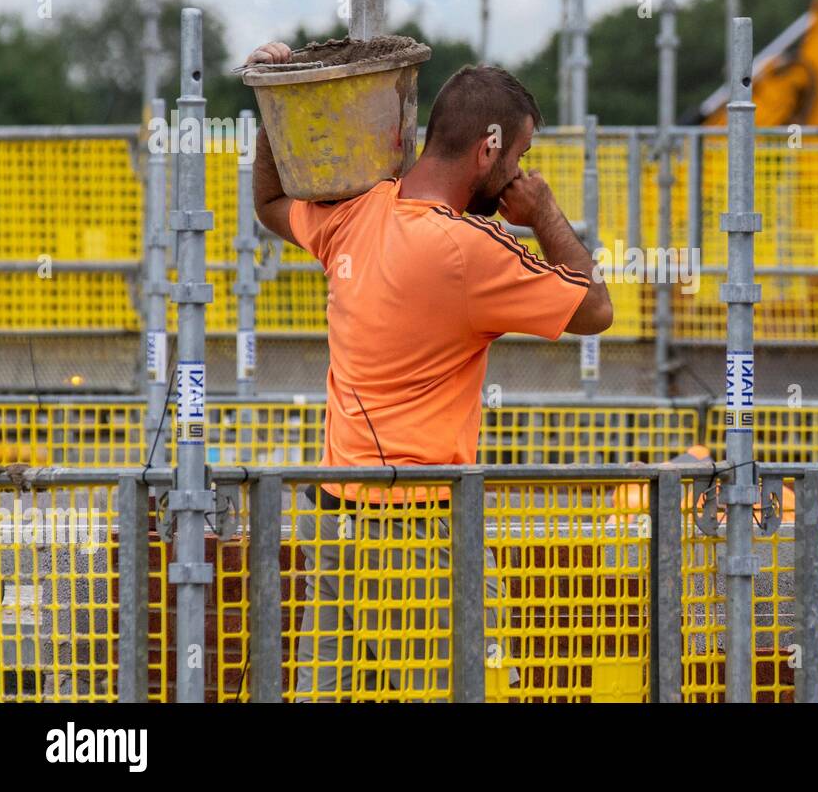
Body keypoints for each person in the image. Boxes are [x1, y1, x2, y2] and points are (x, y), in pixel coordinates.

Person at [247, 41, 613, 700]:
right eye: (521, 159)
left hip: (339, 521)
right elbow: (594, 308)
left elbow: (271, 200)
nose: (520, 177)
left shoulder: (358, 214)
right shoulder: (470, 251)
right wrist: (545, 214)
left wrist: (277, 100)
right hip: (422, 533)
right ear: (489, 147)